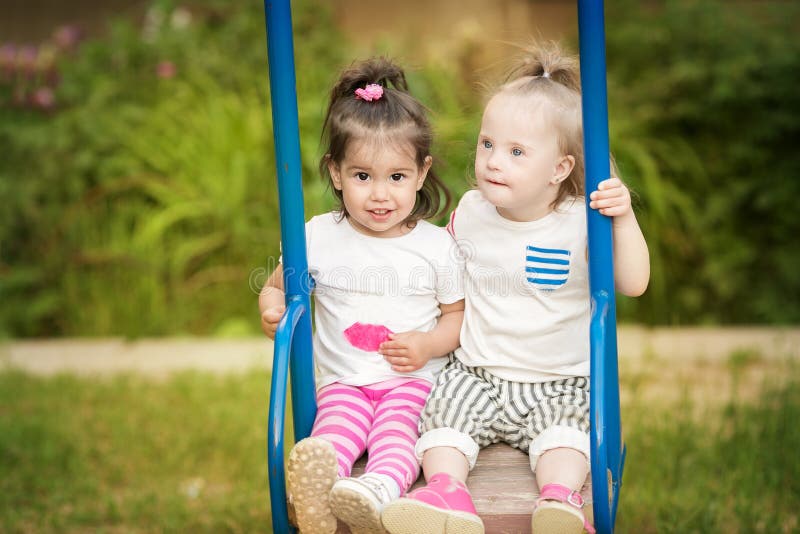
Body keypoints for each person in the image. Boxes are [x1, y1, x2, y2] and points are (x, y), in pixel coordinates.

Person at [381, 42, 650, 534]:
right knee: (442, 418)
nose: (493, 161)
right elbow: (435, 268)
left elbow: (633, 283)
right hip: (478, 372)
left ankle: (559, 501)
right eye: (487, 144)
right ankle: (446, 492)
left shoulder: (580, 222)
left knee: (567, 437)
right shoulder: (471, 211)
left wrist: (624, 218)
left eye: (516, 152)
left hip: (559, 379)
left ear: (559, 169)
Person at [259, 57, 465, 534]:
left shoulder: (435, 247)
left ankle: (375, 493)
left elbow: (456, 316)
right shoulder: (317, 236)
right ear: (335, 173)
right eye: (362, 176)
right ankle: (317, 498)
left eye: (397, 177)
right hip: (343, 384)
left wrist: (428, 344)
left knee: (397, 440)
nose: (380, 195)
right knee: (330, 438)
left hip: (411, 383)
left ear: (421, 173)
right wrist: (272, 309)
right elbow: (273, 287)